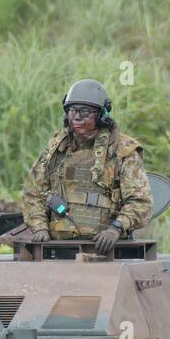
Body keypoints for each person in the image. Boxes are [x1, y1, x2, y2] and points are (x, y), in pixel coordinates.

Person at [21, 79, 152, 255]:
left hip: (106, 250)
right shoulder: (57, 148)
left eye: (85, 112)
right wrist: (39, 227)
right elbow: (33, 192)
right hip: (59, 248)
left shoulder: (122, 150)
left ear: (101, 115)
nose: (76, 117)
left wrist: (116, 228)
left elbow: (140, 201)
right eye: (72, 110)